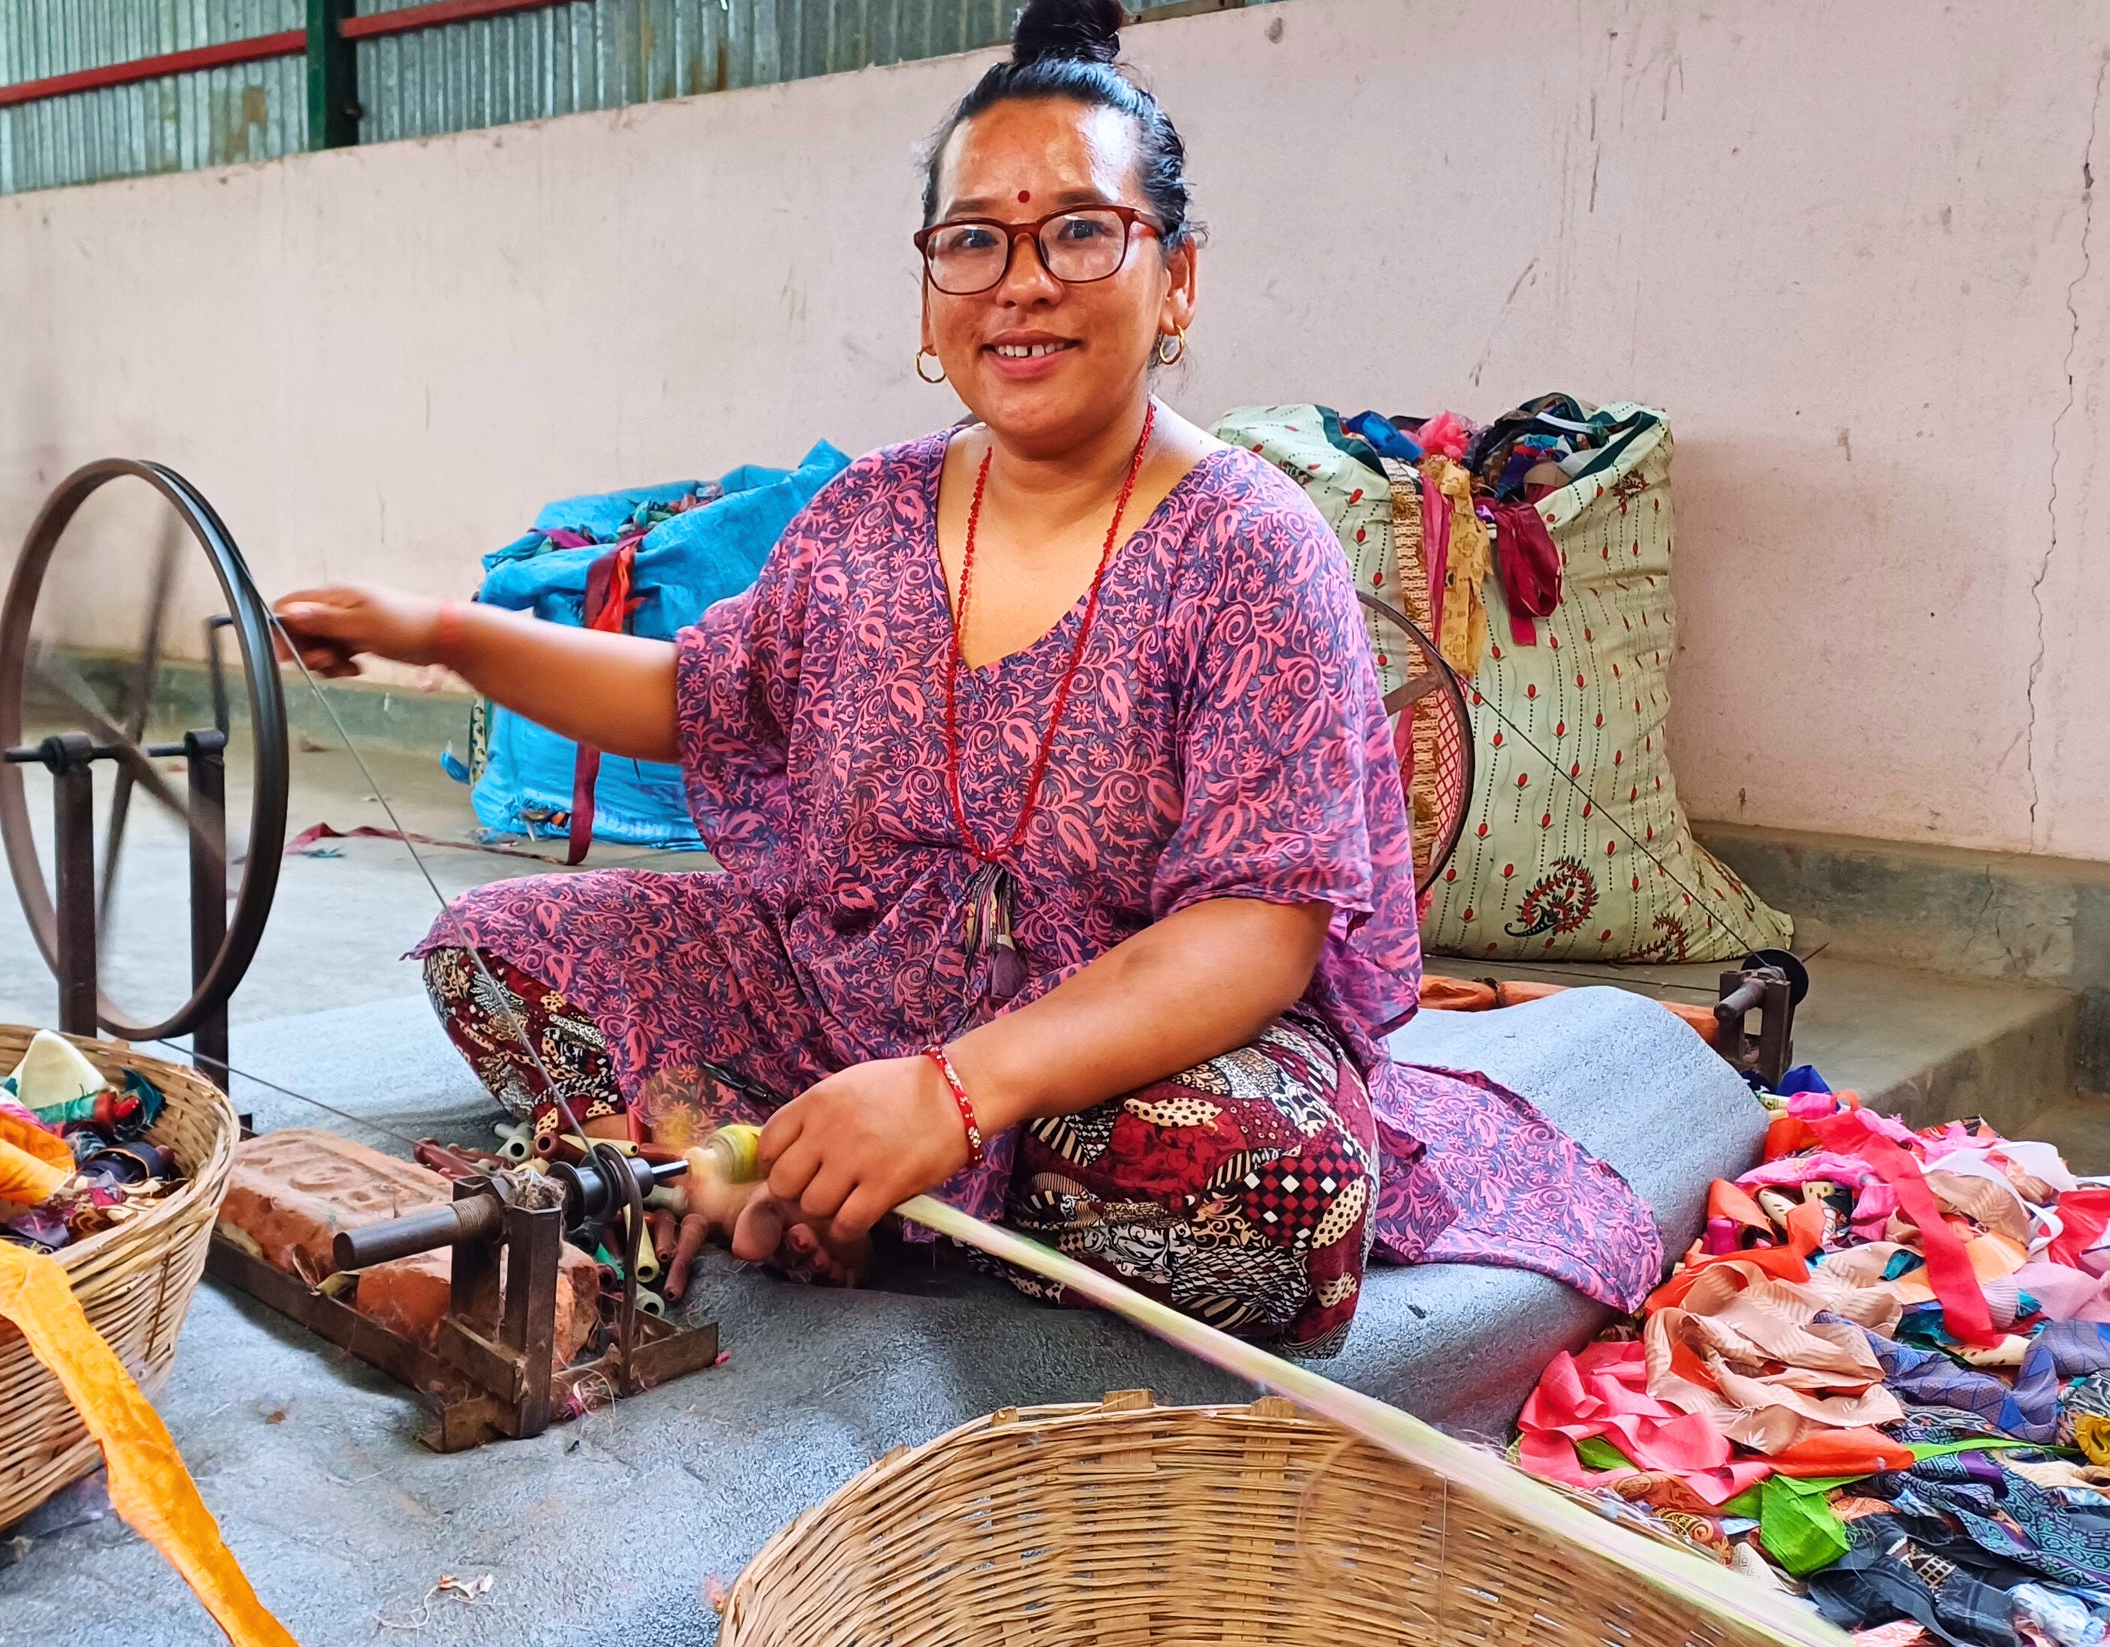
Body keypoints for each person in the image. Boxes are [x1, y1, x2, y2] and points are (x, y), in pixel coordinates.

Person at [275, 0, 1658, 1356]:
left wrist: (954, 1092)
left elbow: (1257, 929)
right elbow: (685, 700)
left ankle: (815, 1175)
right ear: (930, 301)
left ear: (1175, 277)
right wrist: (437, 632)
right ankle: (824, 1172)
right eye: (973, 242)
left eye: (1078, 231)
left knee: (1274, 1195)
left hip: (1114, 1060)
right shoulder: (860, 522)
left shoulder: (1251, 546)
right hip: (846, 1001)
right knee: (503, 951)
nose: (1023, 280)